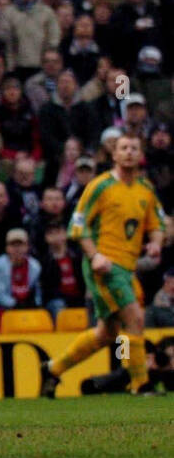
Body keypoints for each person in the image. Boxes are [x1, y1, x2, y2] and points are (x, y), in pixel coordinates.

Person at [43, 134, 168, 396]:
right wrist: (95, 256)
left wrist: (156, 243)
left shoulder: (145, 189)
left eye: (134, 148)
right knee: (135, 319)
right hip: (105, 265)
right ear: (114, 154)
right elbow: (77, 225)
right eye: (124, 148)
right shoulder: (100, 186)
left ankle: (53, 369)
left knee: (107, 333)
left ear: (141, 154)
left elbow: (156, 223)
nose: (129, 152)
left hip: (127, 267)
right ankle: (140, 384)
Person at [0, 228, 43, 310]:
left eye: (20, 245)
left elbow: (38, 293)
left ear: (27, 247)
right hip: (5, 308)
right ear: (7, 248)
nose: (17, 249)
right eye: (13, 245)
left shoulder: (35, 266)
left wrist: (35, 303)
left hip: (29, 308)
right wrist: (15, 304)